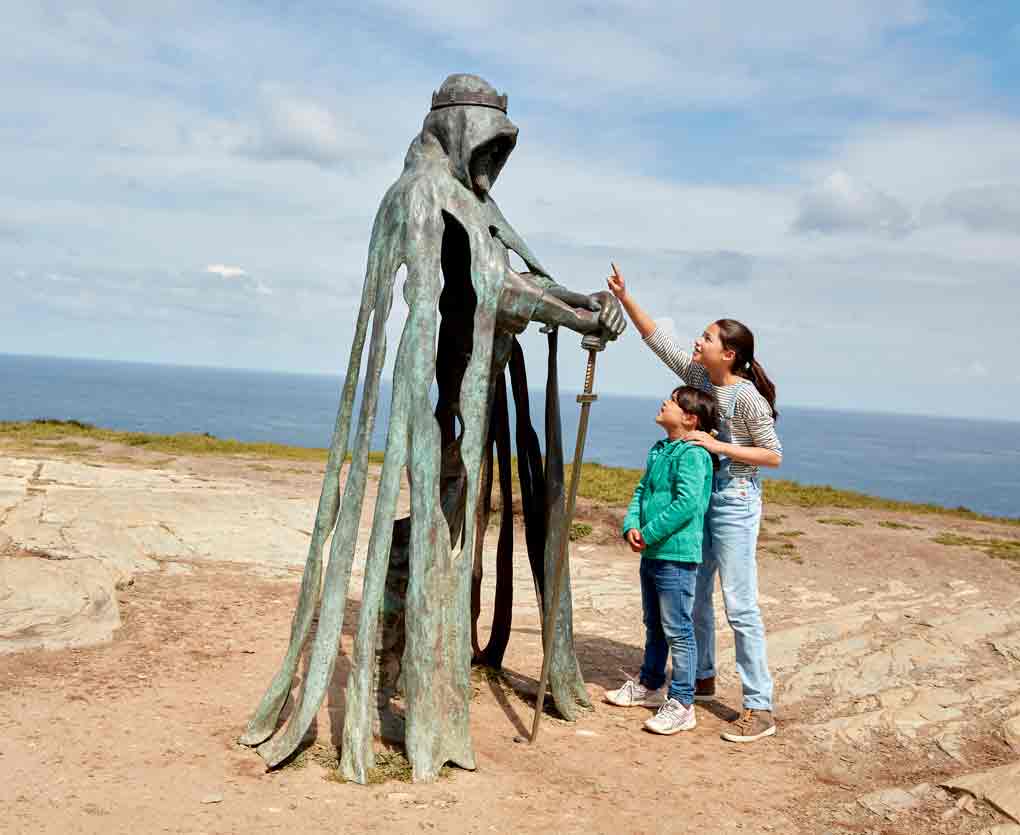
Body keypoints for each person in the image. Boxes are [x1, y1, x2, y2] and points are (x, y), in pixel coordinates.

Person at [607, 264, 782, 744]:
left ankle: (759, 705)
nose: (696, 341)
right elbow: (656, 340)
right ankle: (700, 680)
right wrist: (625, 297)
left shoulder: (746, 398)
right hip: (706, 496)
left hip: (735, 499)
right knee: (697, 596)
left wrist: (715, 445)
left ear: (728, 353)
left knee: (739, 605)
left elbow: (773, 455)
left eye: (705, 337)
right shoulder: (699, 381)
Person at [605, 386, 716, 736]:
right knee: (654, 623)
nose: (665, 402)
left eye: (673, 400)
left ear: (689, 418)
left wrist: (649, 532)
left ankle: (682, 703)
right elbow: (642, 490)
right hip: (653, 552)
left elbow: (688, 504)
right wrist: (630, 526)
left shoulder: (694, 454)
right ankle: (650, 685)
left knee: (678, 630)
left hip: (677, 555)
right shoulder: (659, 449)